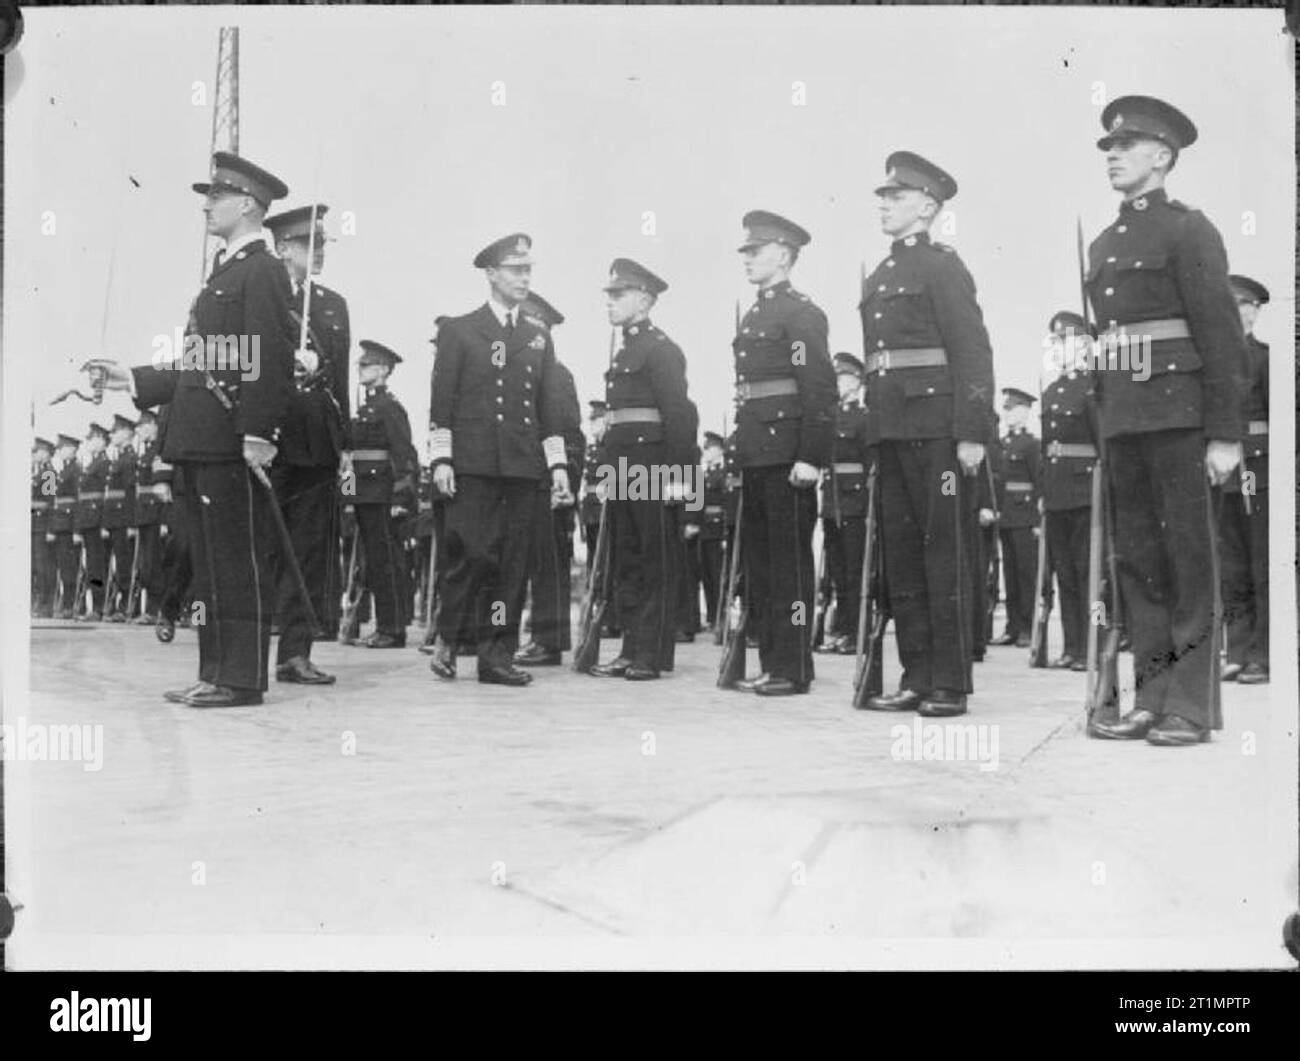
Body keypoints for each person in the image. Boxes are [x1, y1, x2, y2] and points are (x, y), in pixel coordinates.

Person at [91, 151, 296, 707]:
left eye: (216, 196)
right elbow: (204, 360)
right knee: (209, 564)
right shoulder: (226, 272)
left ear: (247, 204)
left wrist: (258, 432)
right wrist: (132, 376)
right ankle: (217, 673)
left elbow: (268, 358)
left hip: (230, 441)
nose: (207, 206)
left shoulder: (264, 271)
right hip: (201, 439)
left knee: (235, 559)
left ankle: (242, 678)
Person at [1082, 96, 1244, 745]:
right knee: (1140, 563)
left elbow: (1221, 335)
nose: (1114, 157)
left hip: (1179, 415)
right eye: (1109, 149)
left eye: (1126, 146)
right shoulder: (1103, 241)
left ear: (1162, 155)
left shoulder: (1189, 229)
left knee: (1187, 559)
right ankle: (1150, 698)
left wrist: (1226, 433)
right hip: (1123, 419)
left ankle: (1191, 706)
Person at [858, 153, 995, 717]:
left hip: (937, 430)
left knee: (944, 556)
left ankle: (948, 681)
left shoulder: (941, 267)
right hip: (891, 431)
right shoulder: (881, 273)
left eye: (896, 196)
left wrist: (971, 431)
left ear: (928, 206)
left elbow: (972, 351)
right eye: (883, 197)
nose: (884, 204)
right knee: (904, 561)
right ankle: (915, 674)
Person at [426, 233, 575, 685]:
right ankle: (449, 637)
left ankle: (496, 654)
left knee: (512, 563)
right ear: (491, 274)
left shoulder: (537, 338)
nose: (524, 277)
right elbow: (442, 402)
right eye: (515, 269)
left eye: (529, 269)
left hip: (522, 467)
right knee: (471, 555)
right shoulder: (459, 329)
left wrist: (559, 466)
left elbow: (549, 410)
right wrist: (441, 460)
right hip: (471, 465)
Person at [730, 211, 836, 696]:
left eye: (757, 250)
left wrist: (811, 456)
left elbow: (816, 388)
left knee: (789, 566)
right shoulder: (755, 313)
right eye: (747, 251)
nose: (748, 258)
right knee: (762, 565)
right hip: (756, 454)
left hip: (788, 456)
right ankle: (772, 661)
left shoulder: (800, 314)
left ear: (785, 255)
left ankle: (792, 667)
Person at [587, 258, 698, 681]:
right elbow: (615, 425)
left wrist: (681, 488)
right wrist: (604, 476)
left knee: (655, 560)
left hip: (652, 468)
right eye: (610, 295)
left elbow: (681, 422)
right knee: (628, 559)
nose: (610, 303)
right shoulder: (625, 351)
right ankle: (631, 648)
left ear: (646, 300)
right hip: (622, 470)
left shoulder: (662, 349)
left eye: (619, 295)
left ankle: (650, 653)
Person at [264, 203, 352, 682]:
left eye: (322, 245)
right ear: (283, 248)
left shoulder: (333, 305)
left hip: (317, 441)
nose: (319, 254)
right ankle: (248, 650)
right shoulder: (265, 295)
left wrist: (346, 447)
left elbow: (341, 386)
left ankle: (296, 652)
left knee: (309, 551)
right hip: (271, 438)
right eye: (308, 245)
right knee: (262, 545)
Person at [515, 292, 585, 667]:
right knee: (527, 562)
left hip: (550, 481)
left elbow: (569, 433)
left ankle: (549, 639)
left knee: (549, 564)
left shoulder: (556, 374)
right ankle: (534, 633)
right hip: (526, 478)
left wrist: (567, 482)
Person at [347, 340, 418, 648]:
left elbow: (404, 455)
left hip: (383, 496)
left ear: (383, 370)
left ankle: (393, 629)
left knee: (387, 562)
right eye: (360, 364)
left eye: (366, 365)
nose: (360, 369)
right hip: (365, 494)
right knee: (374, 563)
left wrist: (401, 499)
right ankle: (384, 626)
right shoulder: (366, 407)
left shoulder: (390, 408)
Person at [1218, 274, 1270, 684]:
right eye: (1236, 307)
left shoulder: (1265, 359)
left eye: (1248, 307)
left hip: (1256, 472)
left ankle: (1260, 653)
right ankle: (1235, 649)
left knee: (1259, 562)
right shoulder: (1216, 363)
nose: (1243, 314)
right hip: (1226, 476)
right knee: (1231, 565)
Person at [1039, 311, 1098, 671]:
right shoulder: (1051, 390)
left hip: (1086, 490)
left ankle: (1092, 644)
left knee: (1086, 572)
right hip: (1058, 492)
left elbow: (1102, 443)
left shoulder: (1093, 386)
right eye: (1057, 342)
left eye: (1068, 341)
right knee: (1064, 573)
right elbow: (1047, 448)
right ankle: (1072, 647)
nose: (1061, 348)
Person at [815, 352, 871, 656]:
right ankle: (837, 628)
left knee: (853, 570)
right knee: (835, 570)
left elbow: (870, 464)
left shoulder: (864, 418)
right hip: (831, 500)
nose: (839, 383)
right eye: (837, 378)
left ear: (858, 382)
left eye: (845, 378)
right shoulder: (828, 415)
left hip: (854, 503)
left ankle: (852, 630)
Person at [991, 388, 1041, 649]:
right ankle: (1012, 626)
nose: (1008, 414)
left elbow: (1039, 482)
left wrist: (1037, 521)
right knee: (1009, 574)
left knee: (1026, 574)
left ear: (1024, 412)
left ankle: (1027, 627)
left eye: (1012, 409)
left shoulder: (1032, 445)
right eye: (1006, 409)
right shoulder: (1002, 445)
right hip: (1007, 515)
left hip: (1025, 514)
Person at [101, 413, 139, 622]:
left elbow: (131, 493)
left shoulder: (130, 459)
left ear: (126, 433)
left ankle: (127, 606)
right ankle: (122, 604)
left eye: (115, 431)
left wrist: (132, 523)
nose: (112, 435)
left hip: (124, 519)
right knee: (120, 564)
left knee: (125, 564)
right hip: (116, 520)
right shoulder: (120, 459)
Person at [131, 412, 167, 623]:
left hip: (156, 515)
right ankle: (152, 610)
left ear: (154, 425)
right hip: (145, 515)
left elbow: (163, 488)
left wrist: (164, 520)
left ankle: (158, 610)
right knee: (147, 565)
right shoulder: (145, 453)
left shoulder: (160, 450)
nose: (139, 430)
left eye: (142, 426)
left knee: (157, 564)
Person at [74, 422, 111, 622]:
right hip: (87, 520)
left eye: (91, 438)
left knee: (96, 565)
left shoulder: (104, 464)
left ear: (100, 440)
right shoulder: (90, 464)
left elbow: (106, 496)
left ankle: (98, 607)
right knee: (92, 565)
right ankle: (92, 606)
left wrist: (104, 523)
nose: (87, 441)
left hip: (96, 520)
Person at [695, 431, 729, 631]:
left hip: (717, 529)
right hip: (705, 529)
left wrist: (725, 532)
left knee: (717, 575)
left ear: (719, 450)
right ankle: (711, 615)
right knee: (706, 575)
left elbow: (726, 504)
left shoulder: (723, 474)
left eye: (709, 448)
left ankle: (720, 616)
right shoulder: (705, 473)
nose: (706, 451)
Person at [49, 434, 82, 619]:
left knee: (69, 567)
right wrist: (51, 528)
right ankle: (62, 603)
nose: (60, 451)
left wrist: (77, 529)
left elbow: (79, 502)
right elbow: (50, 501)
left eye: (63, 448)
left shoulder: (76, 470)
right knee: (62, 566)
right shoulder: (54, 472)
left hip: (69, 525)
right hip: (59, 526)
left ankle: (70, 604)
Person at [31, 437, 56, 618]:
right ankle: (37, 602)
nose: (34, 454)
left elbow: (50, 503)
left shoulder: (48, 474)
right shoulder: (37, 473)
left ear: (46, 453)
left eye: (37, 451)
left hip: (42, 525)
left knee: (43, 567)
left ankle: (45, 604)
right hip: (34, 525)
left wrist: (49, 529)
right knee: (35, 566)